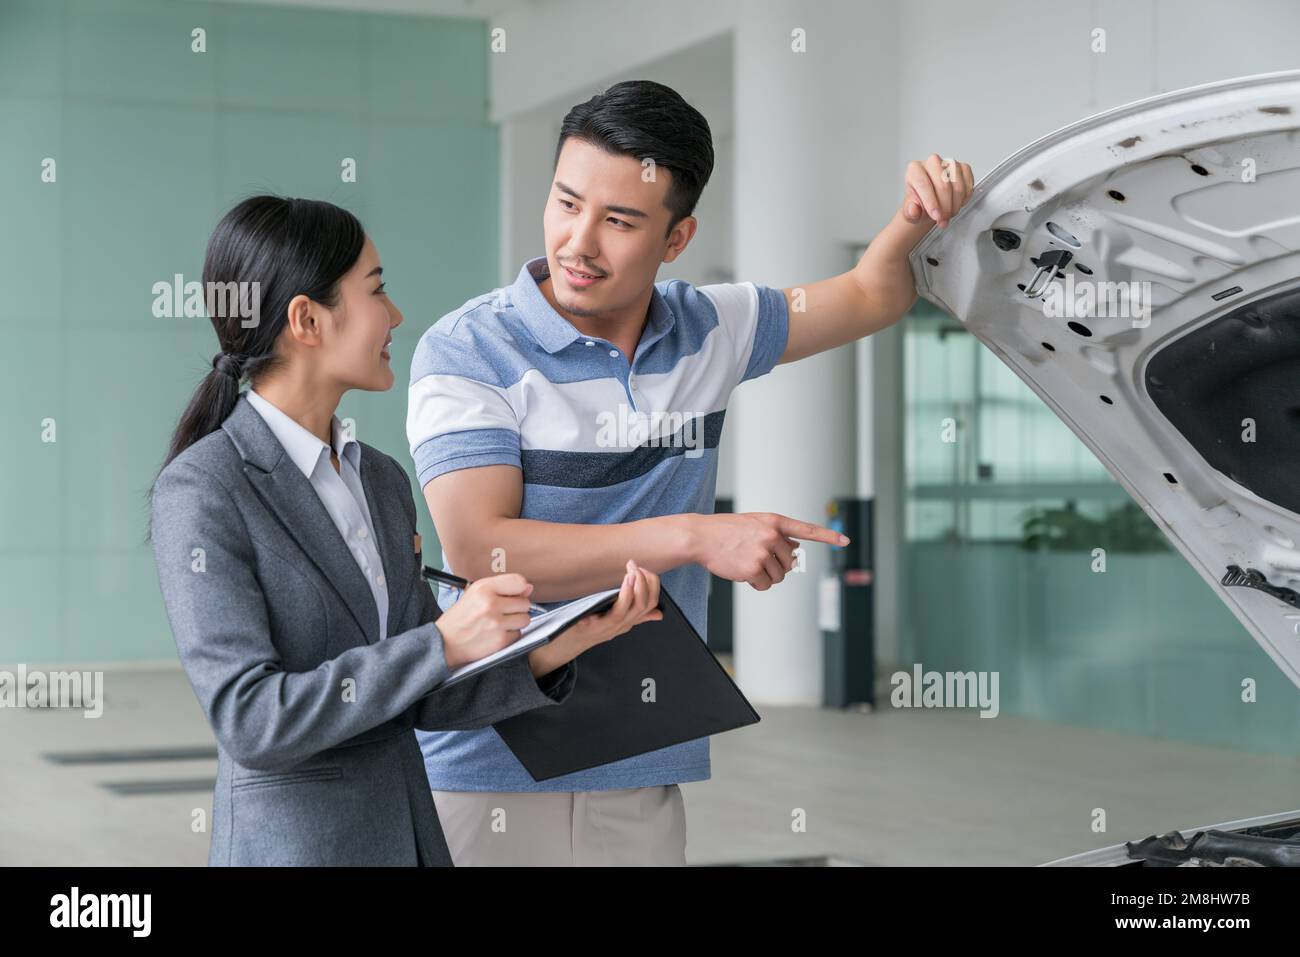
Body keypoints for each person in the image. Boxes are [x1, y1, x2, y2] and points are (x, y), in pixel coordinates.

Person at [407, 80, 973, 866]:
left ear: (677, 239)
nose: (579, 241)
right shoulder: (469, 350)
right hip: (489, 762)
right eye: (567, 203)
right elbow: (480, 548)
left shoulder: (714, 326)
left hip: (638, 752)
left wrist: (911, 220)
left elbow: (874, 293)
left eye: (620, 221)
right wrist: (697, 536)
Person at [148, 195, 662, 866]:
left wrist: (555, 646)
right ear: (306, 319)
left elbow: (421, 687)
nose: (396, 315)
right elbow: (252, 719)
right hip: (301, 849)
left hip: (412, 841)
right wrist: (444, 640)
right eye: (376, 289)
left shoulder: (382, 481)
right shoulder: (205, 487)